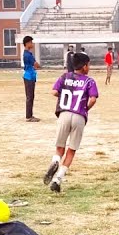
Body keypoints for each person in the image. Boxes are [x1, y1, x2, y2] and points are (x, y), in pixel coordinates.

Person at [44, 52, 99, 193]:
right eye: (89, 65)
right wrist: (85, 107)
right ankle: (58, 179)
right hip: (79, 116)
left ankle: (55, 161)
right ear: (85, 66)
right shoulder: (89, 81)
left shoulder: (64, 77)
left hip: (63, 114)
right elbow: (93, 99)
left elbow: (54, 91)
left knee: (59, 147)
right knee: (71, 149)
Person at [21, 35, 41, 122]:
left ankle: (30, 115)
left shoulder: (27, 53)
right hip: (29, 77)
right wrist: (37, 66)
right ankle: (29, 116)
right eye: (31, 42)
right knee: (30, 96)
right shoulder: (27, 54)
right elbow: (36, 64)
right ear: (27, 43)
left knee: (31, 96)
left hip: (30, 76)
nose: (32, 44)